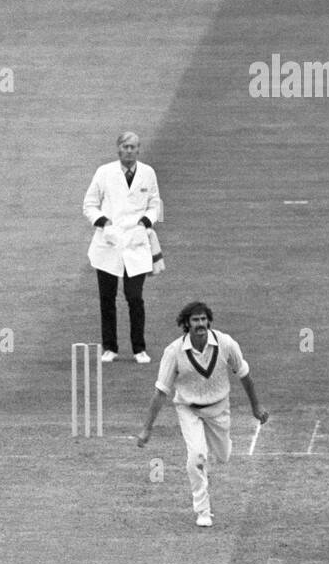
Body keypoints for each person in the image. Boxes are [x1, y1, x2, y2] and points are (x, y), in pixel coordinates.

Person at [137, 301, 269, 527]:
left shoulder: (226, 343)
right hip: (189, 409)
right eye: (195, 320)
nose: (200, 324)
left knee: (224, 456)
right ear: (186, 324)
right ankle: (203, 511)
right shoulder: (174, 352)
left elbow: (244, 375)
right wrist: (147, 428)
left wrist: (256, 407)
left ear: (208, 321)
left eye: (203, 319)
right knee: (197, 457)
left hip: (219, 408)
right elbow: (161, 392)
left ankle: (209, 453)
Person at [82, 131, 164, 363]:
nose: (129, 151)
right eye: (125, 147)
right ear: (118, 149)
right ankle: (110, 347)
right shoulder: (104, 172)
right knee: (106, 298)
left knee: (134, 297)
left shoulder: (147, 173)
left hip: (136, 243)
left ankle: (139, 348)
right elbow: (89, 204)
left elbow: (155, 205)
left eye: (133, 147)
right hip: (108, 243)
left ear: (139, 150)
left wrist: (144, 223)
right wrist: (104, 223)